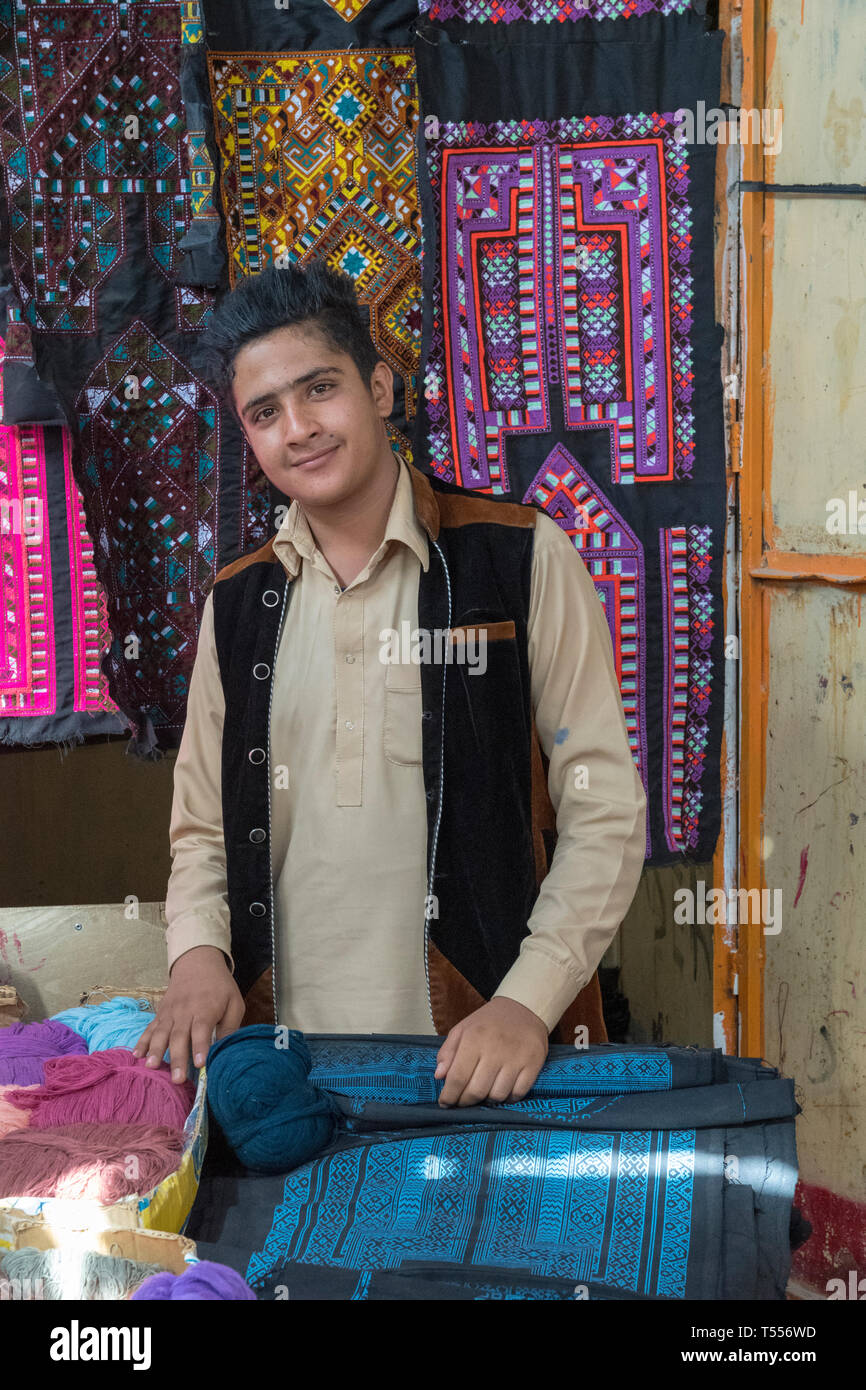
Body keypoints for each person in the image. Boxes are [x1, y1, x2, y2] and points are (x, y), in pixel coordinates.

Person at [134, 261, 647, 1108]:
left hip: (485, 1054)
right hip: (283, 1064)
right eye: (265, 413)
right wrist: (195, 956)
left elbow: (603, 810)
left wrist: (526, 1002)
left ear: (378, 385)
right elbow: (201, 829)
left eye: (319, 390)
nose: (298, 428)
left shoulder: (516, 558)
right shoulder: (236, 605)